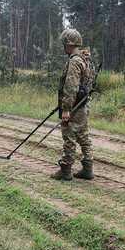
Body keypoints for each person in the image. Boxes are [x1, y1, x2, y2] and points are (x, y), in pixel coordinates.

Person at [51, 28, 95, 181]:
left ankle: (66, 170)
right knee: (83, 135)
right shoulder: (85, 59)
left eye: (64, 43)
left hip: (75, 105)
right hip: (83, 105)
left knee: (69, 135)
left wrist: (66, 109)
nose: (63, 46)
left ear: (68, 44)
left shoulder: (74, 61)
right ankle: (88, 168)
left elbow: (71, 86)